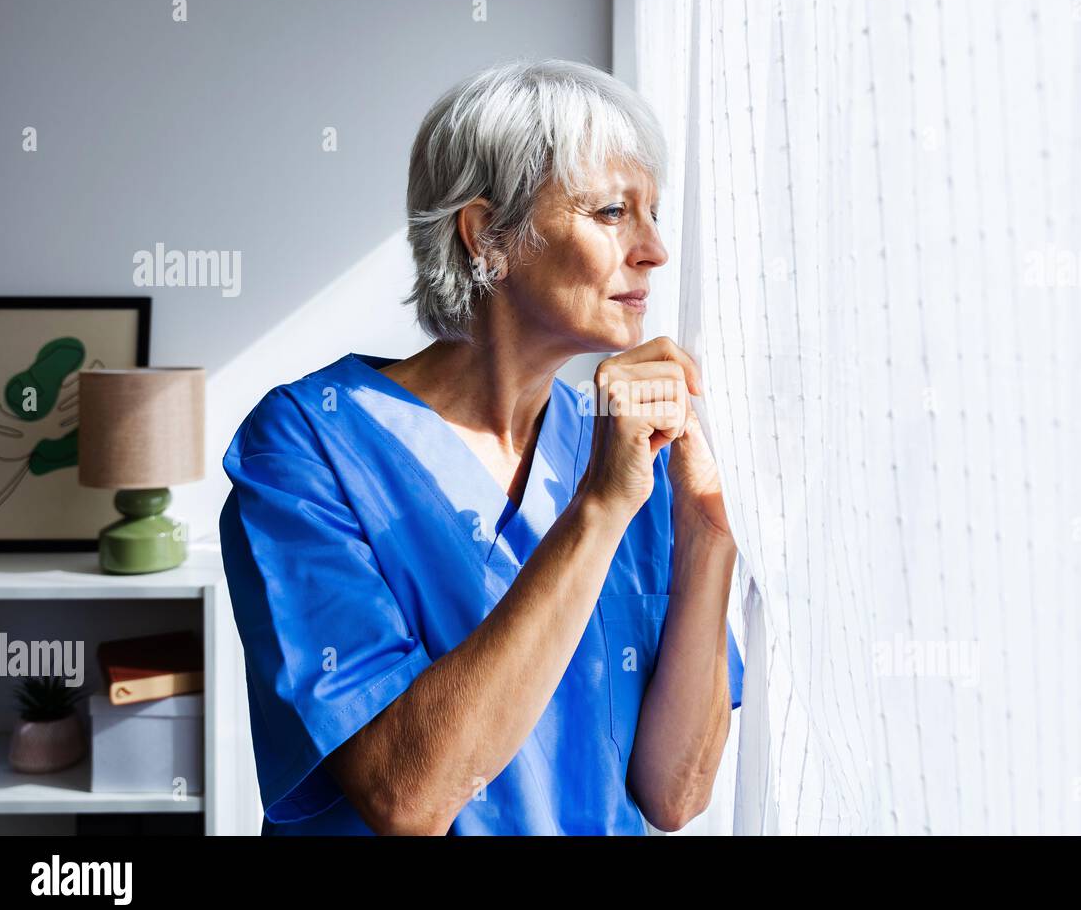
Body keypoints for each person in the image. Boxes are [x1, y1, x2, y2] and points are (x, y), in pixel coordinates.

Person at [219, 58, 743, 835]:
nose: (654, 251)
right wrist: (598, 513)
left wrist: (705, 537)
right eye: (610, 213)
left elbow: (676, 794)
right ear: (486, 236)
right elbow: (408, 797)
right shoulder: (307, 447)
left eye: (653, 213)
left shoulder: (632, 453)